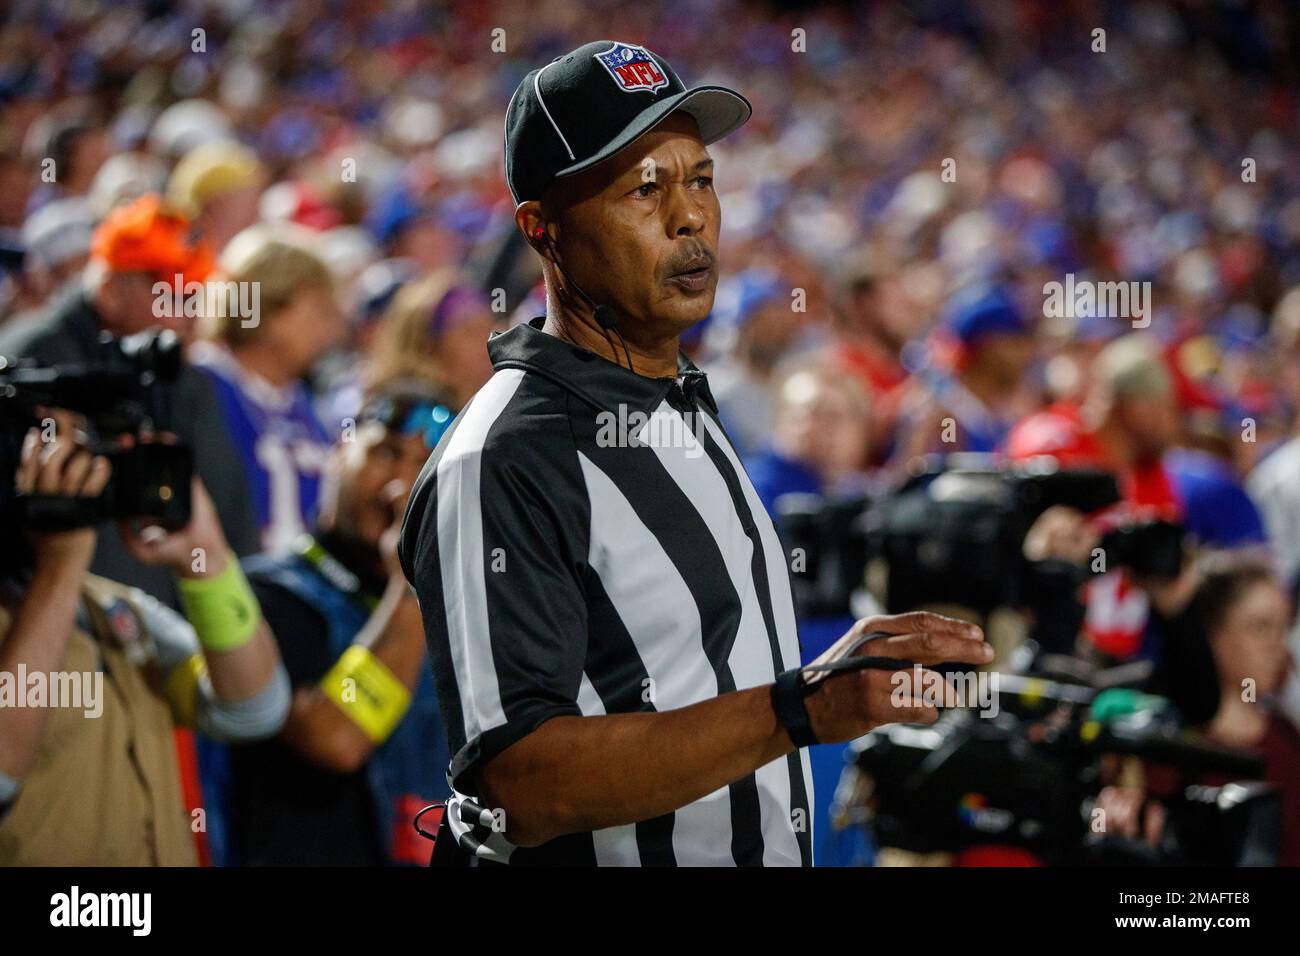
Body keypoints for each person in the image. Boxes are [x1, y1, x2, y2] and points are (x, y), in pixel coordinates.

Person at [398, 40, 990, 867]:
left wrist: (829, 679)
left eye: (700, 179)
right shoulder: (503, 457)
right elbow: (522, 782)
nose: (690, 216)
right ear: (544, 230)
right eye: (645, 186)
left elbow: (694, 683)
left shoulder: (677, 398)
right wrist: (799, 709)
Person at [0, 415, 290, 865]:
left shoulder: (112, 610)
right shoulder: (61, 589)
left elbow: (251, 709)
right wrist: (59, 567)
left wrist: (205, 554)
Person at [221, 380, 454, 865]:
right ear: (337, 452)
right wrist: (410, 580)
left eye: (425, 467)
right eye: (386, 454)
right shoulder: (266, 595)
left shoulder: (460, 613)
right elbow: (336, 738)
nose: (402, 486)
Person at [0, 194, 260, 608]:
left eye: (194, 295)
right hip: (69, 624)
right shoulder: (34, 363)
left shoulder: (176, 373)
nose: (187, 314)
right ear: (110, 289)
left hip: (165, 628)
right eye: (172, 294)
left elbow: (230, 513)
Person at [191, 223, 345, 552]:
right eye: (317, 310)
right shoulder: (202, 385)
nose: (330, 327)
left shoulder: (300, 399)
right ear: (268, 308)